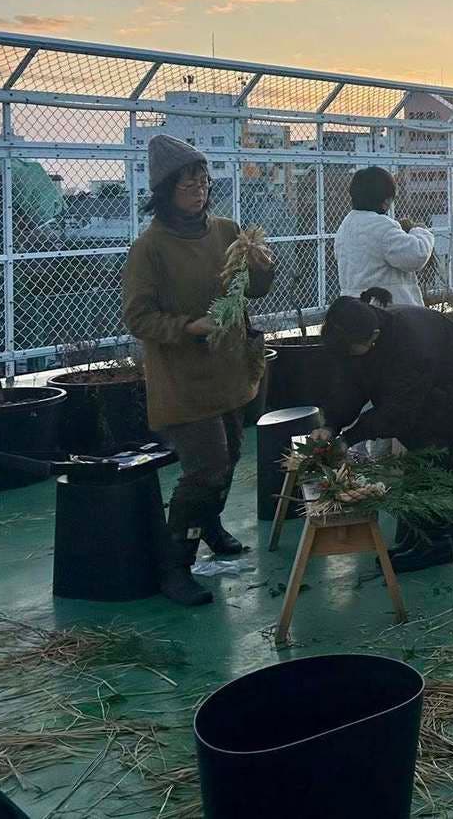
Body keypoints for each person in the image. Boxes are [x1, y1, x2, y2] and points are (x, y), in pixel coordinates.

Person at [121, 134, 275, 606]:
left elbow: (254, 289)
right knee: (204, 467)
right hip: (184, 379)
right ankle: (176, 564)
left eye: (204, 182)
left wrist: (261, 265)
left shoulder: (226, 230)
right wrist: (189, 326)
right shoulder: (150, 249)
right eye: (188, 184)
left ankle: (210, 526)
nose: (199, 190)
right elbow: (137, 316)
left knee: (227, 459)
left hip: (229, 370)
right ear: (165, 190)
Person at [320, 290, 453, 571]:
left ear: (372, 337)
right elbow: (351, 385)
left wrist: (349, 439)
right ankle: (429, 532)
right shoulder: (361, 335)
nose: (349, 356)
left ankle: (435, 544)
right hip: (427, 376)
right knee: (418, 443)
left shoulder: (409, 344)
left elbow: (398, 410)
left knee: (430, 440)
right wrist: (331, 424)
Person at [334, 166, 435, 306]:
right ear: (386, 200)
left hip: (354, 309)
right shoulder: (381, 226)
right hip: (387, 313)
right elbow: (416, 255)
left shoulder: (345, 226)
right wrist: (420, 231)